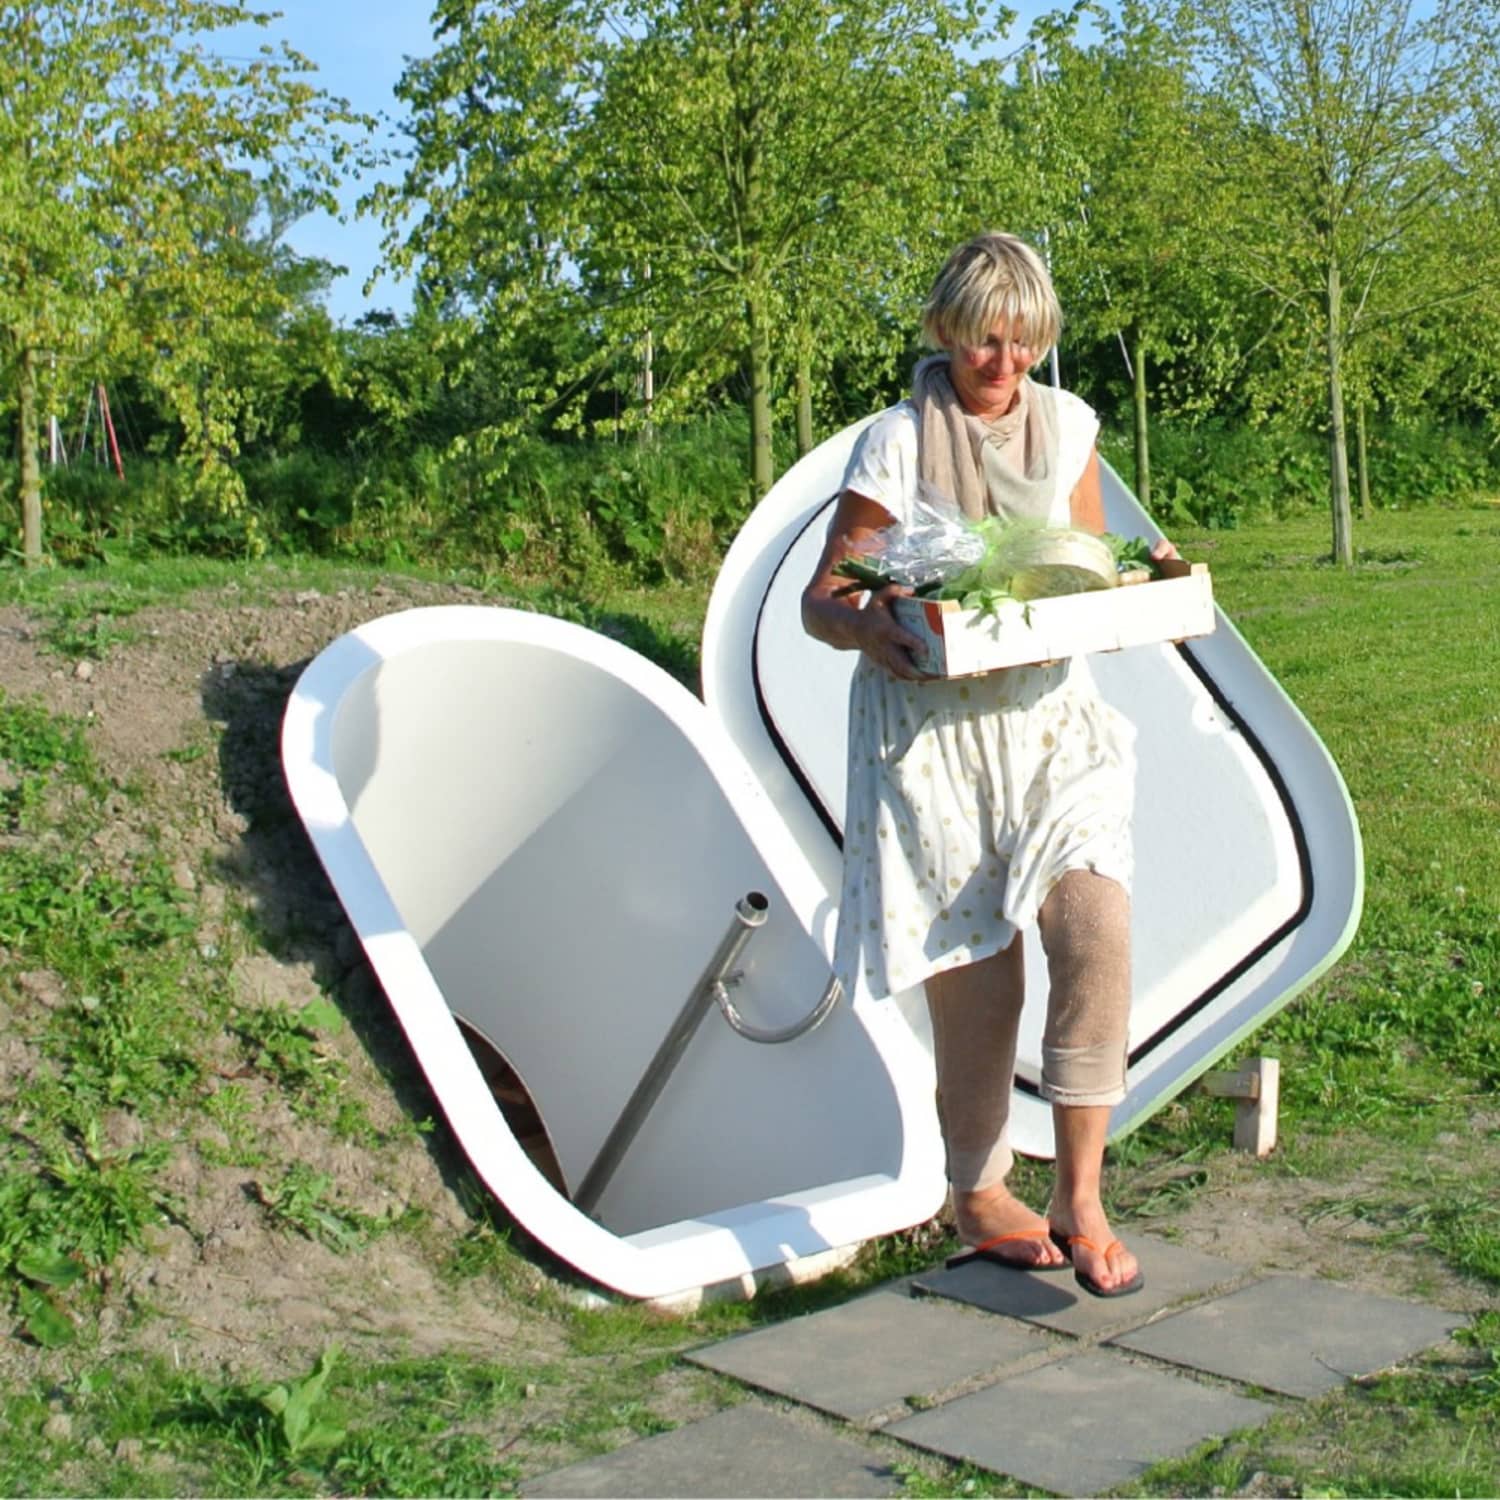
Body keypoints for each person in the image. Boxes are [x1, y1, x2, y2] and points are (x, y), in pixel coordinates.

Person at [801, 231, 1176, 1297]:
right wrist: (875, 627)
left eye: (1020, 343)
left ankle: (1083, 1193)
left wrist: (1145, 593)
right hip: (934, 733)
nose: (1000, 365)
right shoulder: (897, 441)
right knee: (979, 967)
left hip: (1049, 719)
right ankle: (977, 1188)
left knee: (1094, 923)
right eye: (979, 343)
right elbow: (825, 597)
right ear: (942, 334)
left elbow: (1092, 577)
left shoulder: (1067, 432)